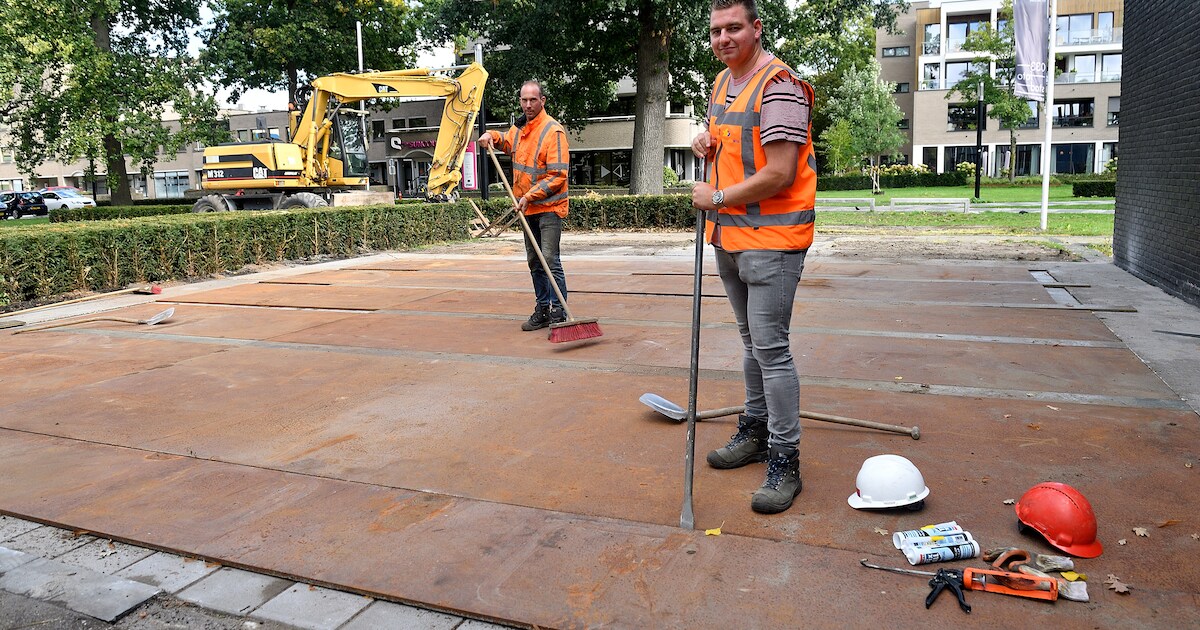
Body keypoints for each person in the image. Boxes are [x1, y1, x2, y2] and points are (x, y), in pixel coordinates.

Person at [690, 0, 817, 514]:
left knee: (772, 349)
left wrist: (716, 199)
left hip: (772, 243)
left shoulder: (780, 86)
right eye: (716, 30)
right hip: (731, 241)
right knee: (751, 344)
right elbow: (730, 143)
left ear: (756, 28)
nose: (723, 38)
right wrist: (704, 141)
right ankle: (756, 429)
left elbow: (781, 173)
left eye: (734, 28)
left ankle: (785, 459)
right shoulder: (723, 83)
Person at [478, 81, 572, 331]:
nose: (528, 105)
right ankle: (542, 308)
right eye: (524, 100)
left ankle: (558, 310)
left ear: (543, 100)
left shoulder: (554, 132)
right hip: (527, 208)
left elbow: (558, 175)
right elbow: (507, 143)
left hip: (548, 208)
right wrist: (492, 137)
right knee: (534, 261)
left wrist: (529, 195)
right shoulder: (520, 128)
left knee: (550, 258)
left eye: (532, 100)